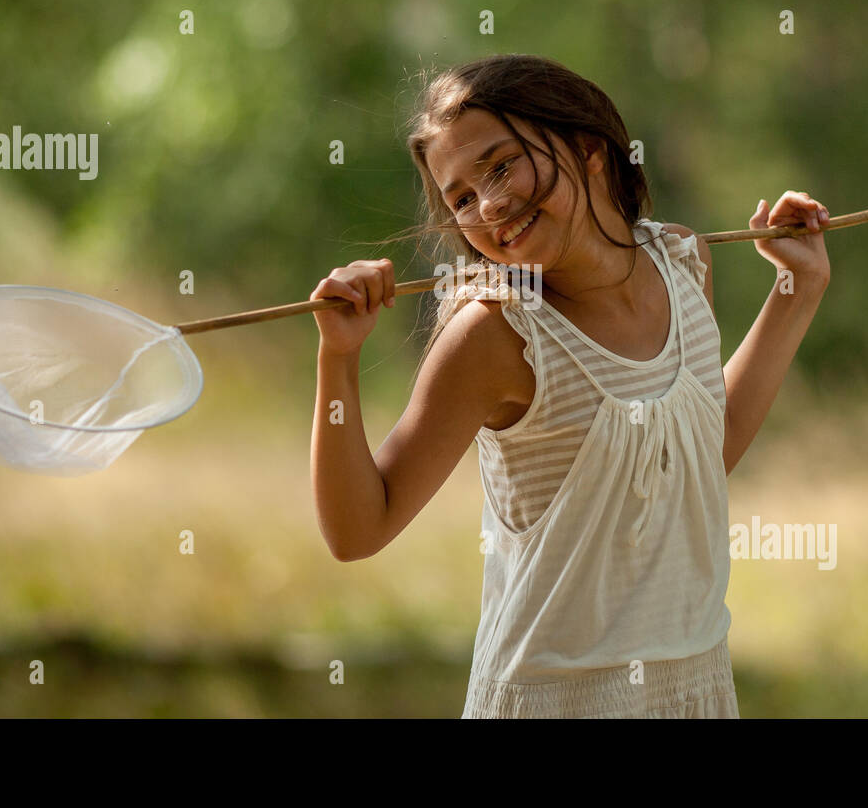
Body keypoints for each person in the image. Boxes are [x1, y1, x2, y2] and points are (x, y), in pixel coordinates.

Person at [309, 53, 830, 718]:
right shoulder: (495, 336)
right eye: (461, 197)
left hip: (695, 691)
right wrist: (339, 358)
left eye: (500, 165)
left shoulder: (682, 263)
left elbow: (699, 455)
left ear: (588, 148)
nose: (489, 205)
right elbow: (358, 531)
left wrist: (796, 292)